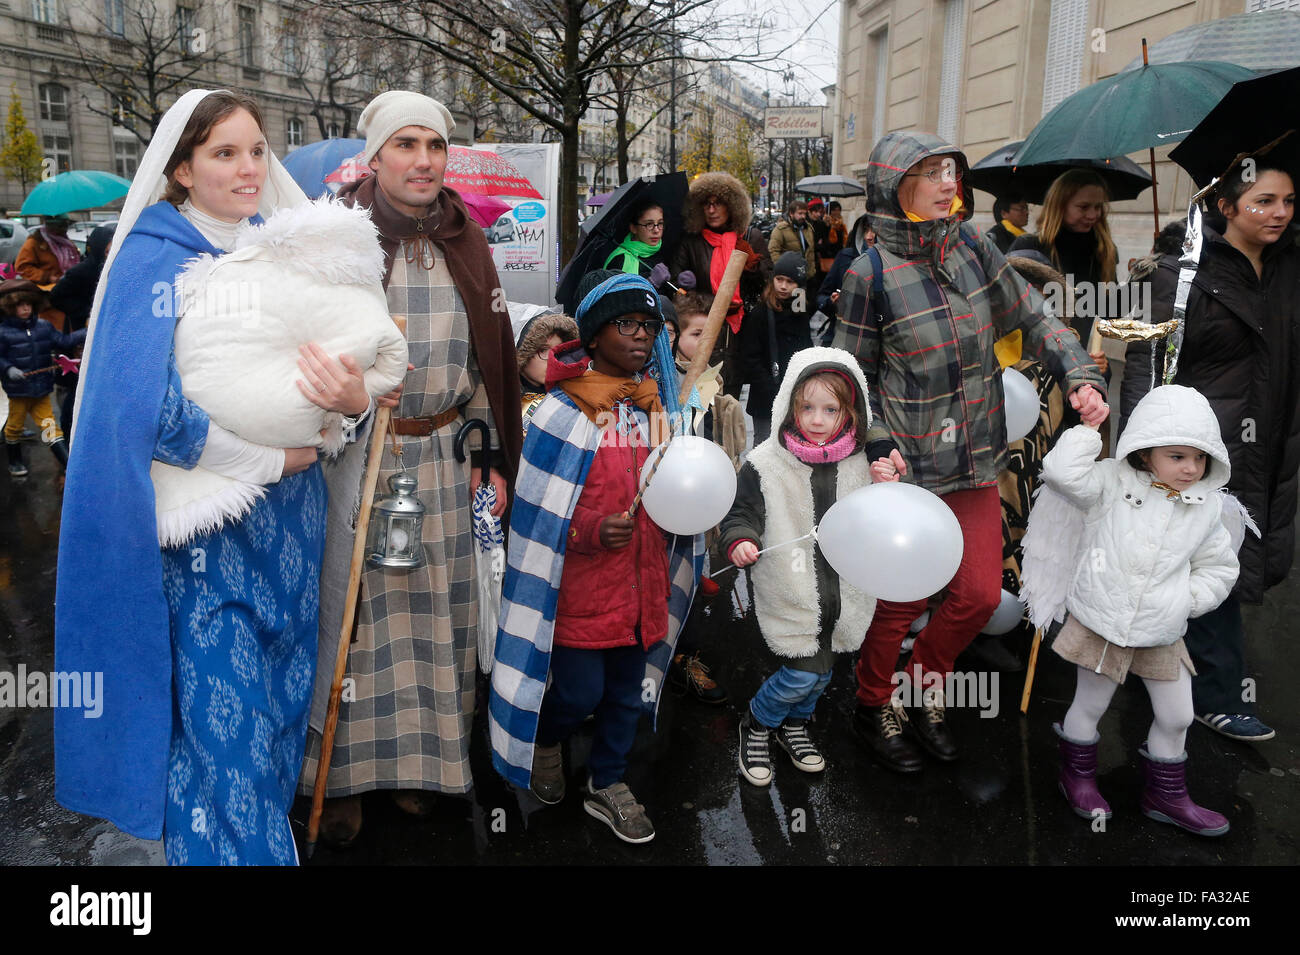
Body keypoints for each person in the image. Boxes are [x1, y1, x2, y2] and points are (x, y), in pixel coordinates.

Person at [55, 88, 372, 865]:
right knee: (220, 733)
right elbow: (148, 410)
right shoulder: (151, 258)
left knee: (271, 726)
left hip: (293, 528)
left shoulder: (292, 248)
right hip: (204, 538)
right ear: (182, 169)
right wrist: (271, 459)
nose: (249, 168)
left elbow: (353, 369)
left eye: (258, 150)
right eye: (225, 153)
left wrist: (354, 405)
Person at [833, 131, 1107, 773]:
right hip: (910, 469)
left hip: (976, 461)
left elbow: (1035, 318)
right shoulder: (868, 274)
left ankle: (922, 686)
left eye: (950, 170)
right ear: (895, 187)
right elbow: (850, 376)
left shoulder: (973, 248)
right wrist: (876, 446)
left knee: (980, 597)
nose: (949, 182)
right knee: (901, 601)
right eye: (931, 173)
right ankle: (873, 705)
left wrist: (1079, 374)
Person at [299, 90, 523, 846]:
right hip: (356, 455)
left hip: (442, 452)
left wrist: (489, 454)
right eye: (406, 144)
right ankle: (342, 774)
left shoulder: (468, 238)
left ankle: (423, 767)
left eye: (435, 144)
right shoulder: (337, 238)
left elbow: (490, 361)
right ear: (376, 154)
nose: (424, 159)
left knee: (437, 621)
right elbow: (296, 350)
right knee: (356, 624)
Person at [489, 269, 703, 844]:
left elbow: (677, 491)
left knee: (626, 697)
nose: (638, 336)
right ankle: (548, 738)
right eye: (624, 324)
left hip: (641, 586)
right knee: (579, 693)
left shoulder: (659, 410)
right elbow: (536, 514)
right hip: (584, 592)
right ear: (594, 334)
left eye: (647, 325)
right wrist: (587, 530)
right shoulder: (561, 415)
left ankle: (607, 783)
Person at [1120, 159, 1299, 744]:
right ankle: (1213, 695)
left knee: (1230, 560)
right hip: (1198, 451)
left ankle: (1158, 669)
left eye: (1289, 202)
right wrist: (1144, 451)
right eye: (1265, 200)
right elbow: (1147, 364)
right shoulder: (1180, 275)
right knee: (1200, 557)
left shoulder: (1289, 270)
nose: (1279, 213)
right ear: (1226, 206)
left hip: (1270, 441)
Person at [1025, 385, 1238, 836]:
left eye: (1199, 458)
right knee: (1090, 705)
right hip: (1103, 621)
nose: (1191, 468)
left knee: (1178, 714)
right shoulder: (1110, 484)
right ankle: (1077, 776)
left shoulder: (1205, 505)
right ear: (1144, 452)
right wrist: (1088, 431)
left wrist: (1187, 600)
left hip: (1162, 628)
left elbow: (1218, 567)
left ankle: (1166, 794)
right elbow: (1061, 474)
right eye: (1177, 456)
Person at [720, 348, 890, 786]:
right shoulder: (765, 465)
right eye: (806, 407)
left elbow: (884, 518)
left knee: (821, 676)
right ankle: (758, 723)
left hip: (847, 594)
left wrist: (889, 485)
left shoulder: (861, 465)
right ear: (788, 406)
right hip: (792, 590)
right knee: (800, 673)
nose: (817, 419)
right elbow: (741, 514)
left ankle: (794, 725)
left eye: (830, 409)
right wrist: (741, 540)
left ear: (850, 411)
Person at [668, 290, 745, 703]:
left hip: (700, 502)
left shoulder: (710, 379)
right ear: (674, 336)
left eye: (711, 333)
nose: (706, 342)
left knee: (694, 573)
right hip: (667, 502)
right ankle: (670, 660)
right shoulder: (664, 378)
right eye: (697, 332)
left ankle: (687, 656)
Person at [1009, 170, 1118, 366]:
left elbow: (1111, 312)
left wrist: (1142, 279)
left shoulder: (1103, 252)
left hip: (1077, 363)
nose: (1093, 215)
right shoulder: (1029, 246)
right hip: (1030, 362)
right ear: (1059, 206)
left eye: (1098, 206)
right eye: (1083, 207)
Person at [671, 172, 763, 399]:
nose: (711, 210)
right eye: (706, 204)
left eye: (718, 203)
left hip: (740, 333)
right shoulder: (690, 242)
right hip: (704, 334)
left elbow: (765, 290)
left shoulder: (750, 238)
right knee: (701, 401)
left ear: (732, 205)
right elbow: (675, 288)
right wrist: (686, 288)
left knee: (730, 399)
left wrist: (752, 270)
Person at [0, 279, 81, 477]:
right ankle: (15, 460)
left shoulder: (44, 326)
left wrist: (85, 332)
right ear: (10, 308)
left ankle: (67, 464)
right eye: (20, 305)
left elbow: (63, 341)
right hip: (19, 392)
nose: (25, 309)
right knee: (14, 427)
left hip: (42, 390)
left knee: (50, 427)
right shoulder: (3, 332)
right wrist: (8, 368)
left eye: (28, 304)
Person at [49, 224, 114, 435]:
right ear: (97, 248)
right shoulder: (81, 271)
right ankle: (69, 434)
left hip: (106, 334)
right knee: (77, 387)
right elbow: (56, 297)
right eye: (107, 248)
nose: (111, 252)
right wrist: (86, 312)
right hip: (81, 335)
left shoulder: (116, 266)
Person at [744, 251, 813, 444]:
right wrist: (771, 390)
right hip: (766, 398)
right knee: (765, 449)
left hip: (795, 396)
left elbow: (806, 350)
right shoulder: (760, 313)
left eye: (790, 282)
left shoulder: (800, 311)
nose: (783, 286)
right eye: (779, 279)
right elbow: (750, 357)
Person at [512, 304, 578, 435]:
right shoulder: (505, 402)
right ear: (521, 352)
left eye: (558, 350)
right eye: (543, 350)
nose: (552, 359)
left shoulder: (572, 395)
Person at [16, 214, 80, 330]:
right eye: (61, 225)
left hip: (68, 292)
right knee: (54, 331)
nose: (64, 229)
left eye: (65, 225)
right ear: (50, 226)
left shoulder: (67, 243)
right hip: (48, 297)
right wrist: (47, 277)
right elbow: (22, 267)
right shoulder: (34, 242)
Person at [603, 199, 671, 286]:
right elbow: (619, 298)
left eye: (660, 223)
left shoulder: (665, 252)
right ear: (633, 228)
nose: (656, 230)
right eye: (649, 224)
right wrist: (651, 283)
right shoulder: (620, 260)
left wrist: (680, 285)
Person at [768, 198, 816, 277]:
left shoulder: (808, 228)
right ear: (791, 213)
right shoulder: (781, 229)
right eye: (800, 213)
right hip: (789, 275)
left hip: (807, 275)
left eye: (804, 214)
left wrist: (812, 270)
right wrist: (783, 269)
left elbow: (811, 251)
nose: (803, 216)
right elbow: (773, 250)